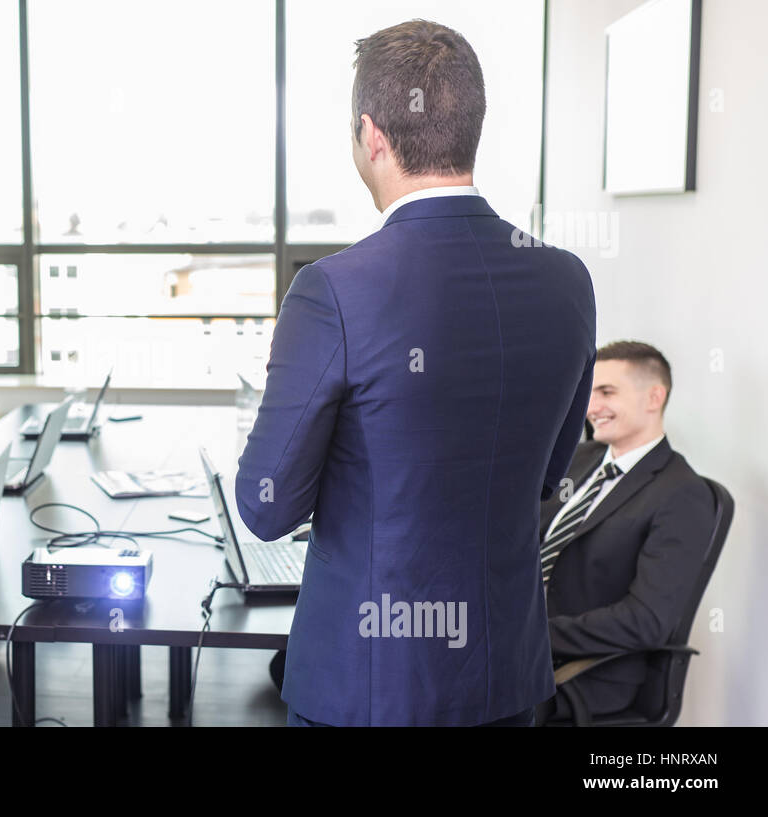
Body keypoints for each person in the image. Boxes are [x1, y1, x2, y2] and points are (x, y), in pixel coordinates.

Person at [236, 20, 597, 726]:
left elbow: (266, 506)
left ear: (371, 134)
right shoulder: (567, 280)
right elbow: (551, 470)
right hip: (509, 678)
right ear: (472, 126)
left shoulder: (332, 290)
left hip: (369, 687)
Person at [540, 341, 716, 720]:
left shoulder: (681, 494)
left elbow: (646, 621)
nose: (591, 408)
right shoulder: (579, 458)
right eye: (590, 393)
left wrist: (534, 634)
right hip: (522, 648)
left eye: (607, 392)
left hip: (581, 673)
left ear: (654, 397)